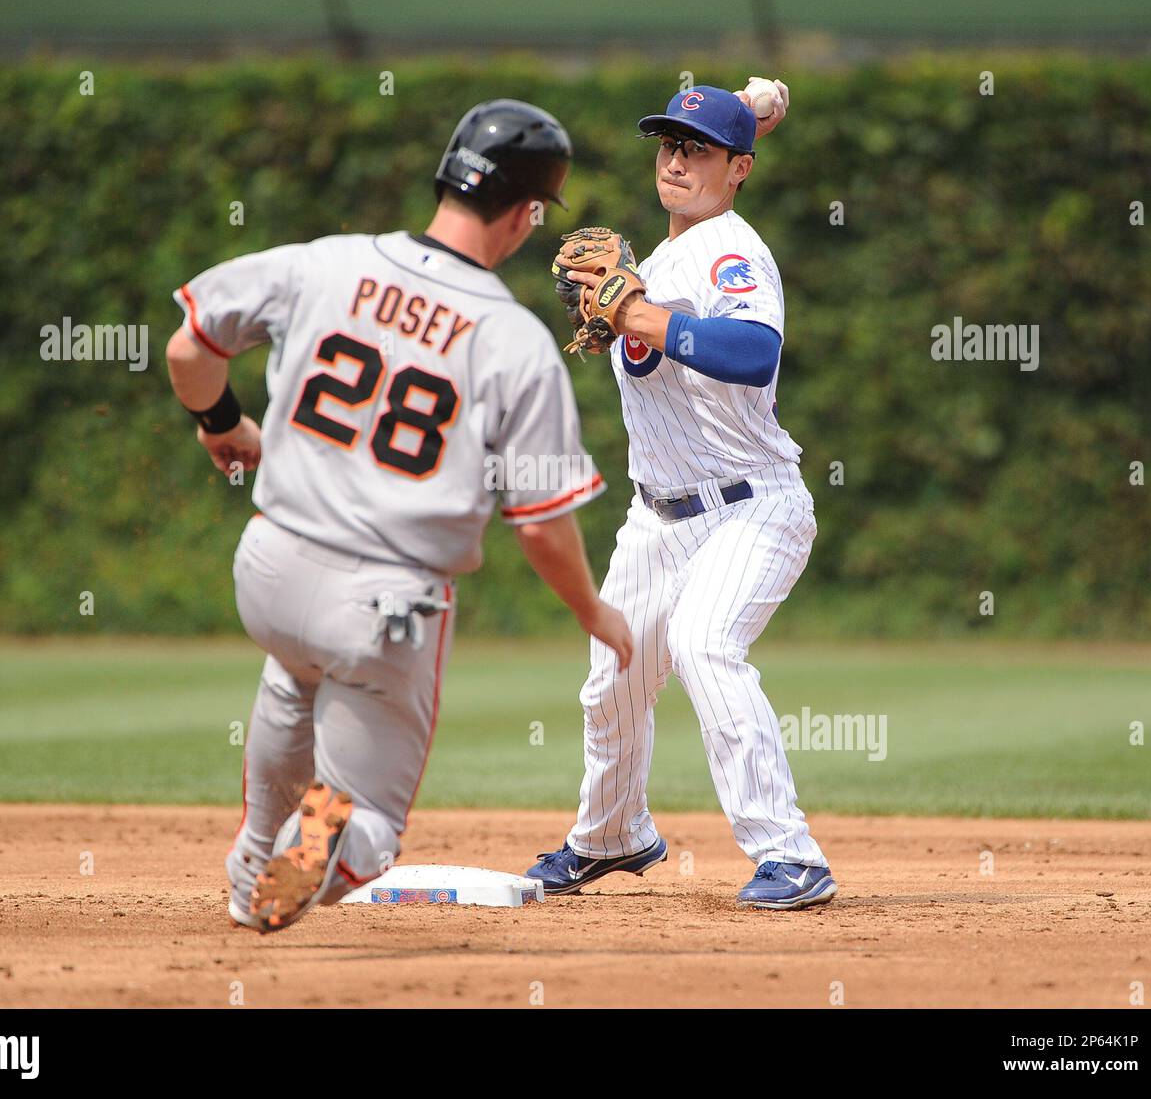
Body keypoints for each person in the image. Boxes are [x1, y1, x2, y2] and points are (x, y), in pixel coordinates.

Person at [165, 99, 632, 932]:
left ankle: (254, 858)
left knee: (291, 679)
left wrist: (222, 424)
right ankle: (299, 859)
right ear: (528, 215)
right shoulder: (512, 341)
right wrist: (595, 613)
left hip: (269, 566)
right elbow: (539, 524)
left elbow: (189, 345)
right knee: (370, 823)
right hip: (383, 606)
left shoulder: (326, 264)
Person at [526, 81, 838, 909]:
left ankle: (791, 855)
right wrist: (745, 111)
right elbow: (730, 128)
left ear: (738, 171)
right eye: (667, 144)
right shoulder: (655, 264)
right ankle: (611, 837)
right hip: (655, 516)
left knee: (704, 644)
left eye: (695, 149)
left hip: (751, 506)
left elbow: (753, 352)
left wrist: (646, 317)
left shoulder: (731, 249)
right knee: (613, 680)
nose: (674, 159)